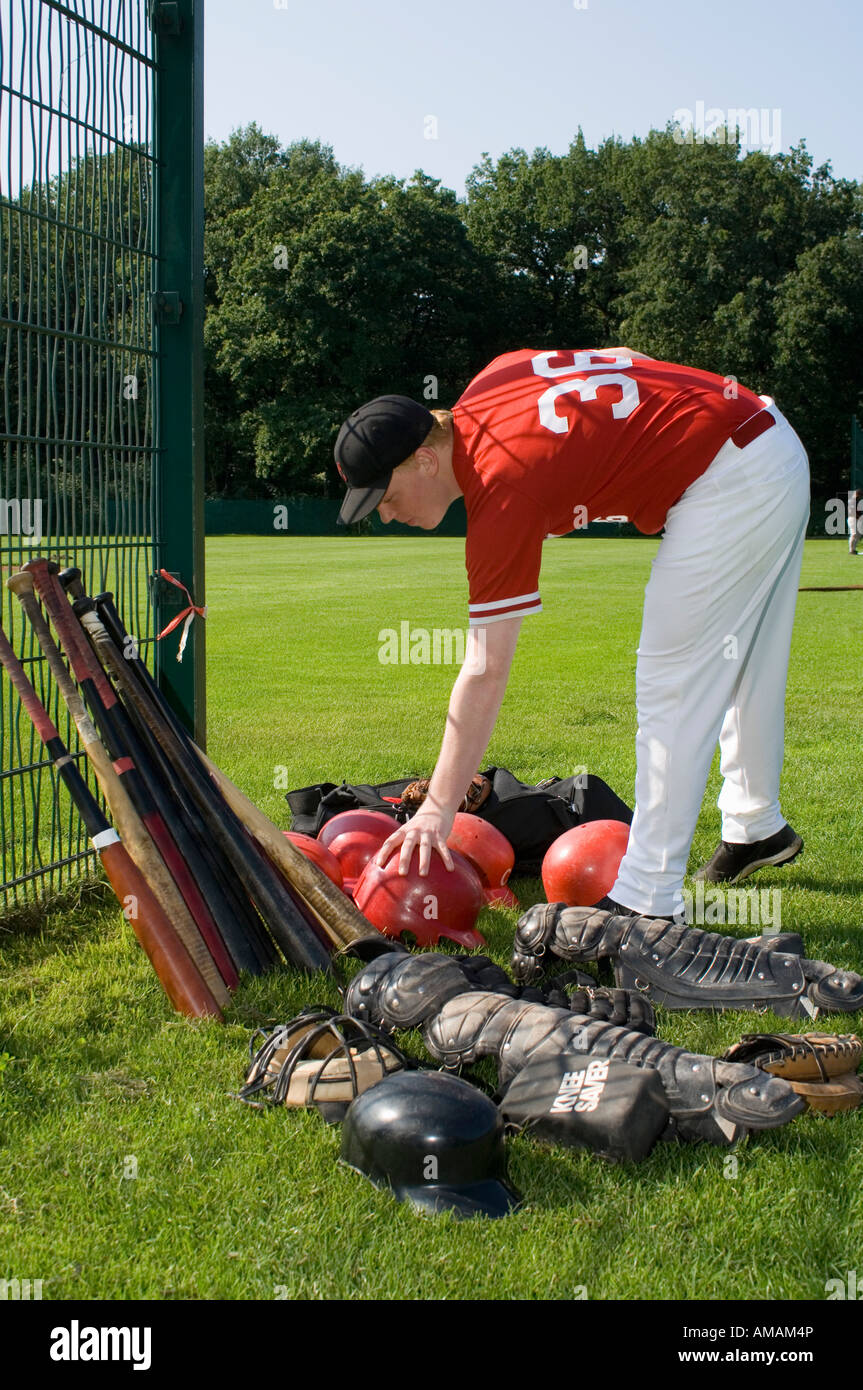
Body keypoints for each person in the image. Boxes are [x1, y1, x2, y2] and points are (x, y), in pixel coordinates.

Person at [334, 348, 808, 920]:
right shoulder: (494, 378)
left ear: (425, 460)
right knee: (748, 664)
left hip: (732, 477)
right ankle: (756, 826)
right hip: (762, 439)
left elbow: (486, 667)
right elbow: (623, 358)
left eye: (386, 497)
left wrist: (439, 805)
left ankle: (647, 900)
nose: (386, 515)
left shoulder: (501, 489)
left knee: (672, 683)